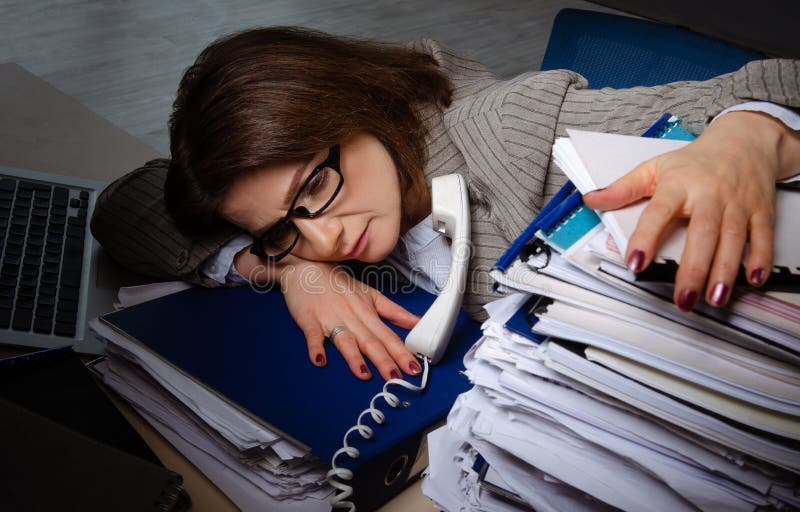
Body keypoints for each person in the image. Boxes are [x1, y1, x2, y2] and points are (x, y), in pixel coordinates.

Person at [90, 27, 800, 382]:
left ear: (361, 103)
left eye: (313, 187)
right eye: (284, 227)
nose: (326, 236)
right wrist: (289, 272)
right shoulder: (309, 237)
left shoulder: (513, 127)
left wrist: (747, 134)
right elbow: (124, 207)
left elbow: (773, 83)